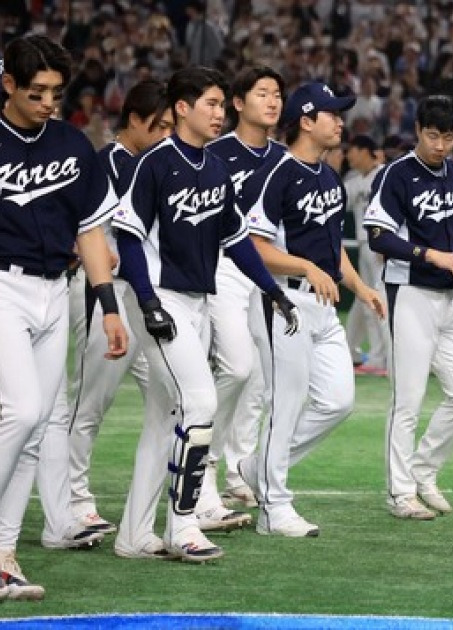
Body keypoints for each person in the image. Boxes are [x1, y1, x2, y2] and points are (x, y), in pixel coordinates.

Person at [0, 35, 128, 601]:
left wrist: (109, 307)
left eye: (56, 92)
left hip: (55, 289)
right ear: (8, 84)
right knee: (21, 410)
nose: (48, 102)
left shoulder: (72, 142)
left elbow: (90, 232)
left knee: (36, 428)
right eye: (37, 92)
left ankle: (3, 552)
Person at [111, 66, 298, 563]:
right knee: (199, 402)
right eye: (210, 104)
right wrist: (147, 301)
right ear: (181, 108)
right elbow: (128, 237)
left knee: (163, 419)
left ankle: (133, 535)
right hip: (160, 298)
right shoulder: (154, 163)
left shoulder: (214, 168)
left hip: (196, 301)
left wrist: (271, 290)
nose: (218, 113)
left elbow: (237, 240)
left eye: (220, 104)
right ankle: (184, 524)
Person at [238, 81, 385, 537]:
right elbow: (254, 246)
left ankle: (258, 468)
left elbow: (332, 247)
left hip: (321, 304)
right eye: (331, 114)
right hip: (282, 298)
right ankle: (274, 508)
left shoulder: (328, 176)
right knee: (285, 405)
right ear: (305, 121)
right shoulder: (275, 173)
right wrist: (305, 266)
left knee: (338, 401)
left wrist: (360, 286)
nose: (340, 122)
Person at [363, 94, 453, 520]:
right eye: (432, 135)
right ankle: (400, 493)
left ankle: (423, 470)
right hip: (408, 293)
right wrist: (432, 255)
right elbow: (378, 236)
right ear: (417, 130)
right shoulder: (396, 175)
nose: (439, 144)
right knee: (408, 399)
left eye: (448, 137)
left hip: (449, 298)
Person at [65, 79, 172, 533]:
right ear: (134, 120)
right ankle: (73, 500)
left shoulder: (157, 164)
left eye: (171, 126)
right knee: (91, 401)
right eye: (159, 125)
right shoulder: (105, 162)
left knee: (171, 399)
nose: (166, 134)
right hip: (102, 293)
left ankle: (183, 500)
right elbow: (80, 225)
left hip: (144, 298)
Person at [199, 66, 287, 523]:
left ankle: (237, 468)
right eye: (262, 93)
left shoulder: (284, 158)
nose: (272, 101)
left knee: (259, 380)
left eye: (277, 94)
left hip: (263, 270)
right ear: (238, 102)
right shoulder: (214, 152)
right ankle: (203, 463)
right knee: (236, 367)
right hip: (221, 266)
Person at [343, 134, 388, 375]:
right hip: (364, 246)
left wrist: (387, 242)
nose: (348, 156)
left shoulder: (384, 174)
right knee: (368, 303)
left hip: (381, 246)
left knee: (381, 302)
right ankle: (377, 358)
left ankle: (385, 358)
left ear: (364, 151)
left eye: (352, 151)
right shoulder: (355, 181)